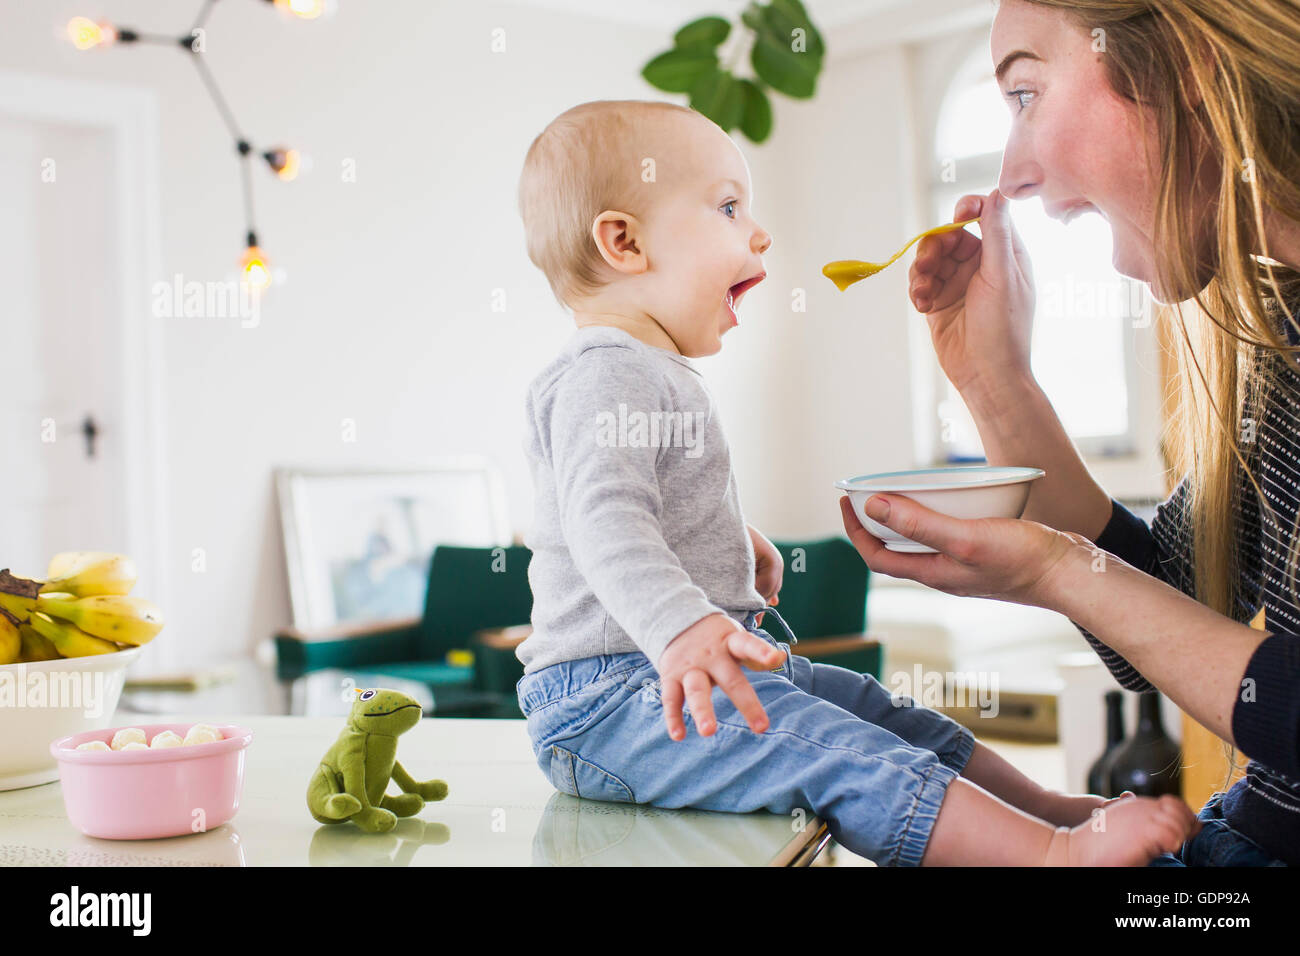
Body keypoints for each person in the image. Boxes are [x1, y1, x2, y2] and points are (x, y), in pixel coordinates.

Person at [513, 98, 1199, 865]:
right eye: (729, 207)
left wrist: (724, 543)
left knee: (876, 710)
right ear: (624, 242)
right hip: (612, 701)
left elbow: (638, 506)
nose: (759, 232)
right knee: (830, 748)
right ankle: (1046, 855)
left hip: (664, 675)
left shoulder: (647, 372)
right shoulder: (605, 373)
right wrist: (683, 626)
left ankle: (1041, 807)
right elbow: (601, 521)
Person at [841, 0, 1300, 866]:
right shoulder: (1285, 342)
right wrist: (997, 383)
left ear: (1188, 64)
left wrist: (1055, 570)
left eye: (1024, 94)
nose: (1011, 171)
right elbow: (1179, 603)